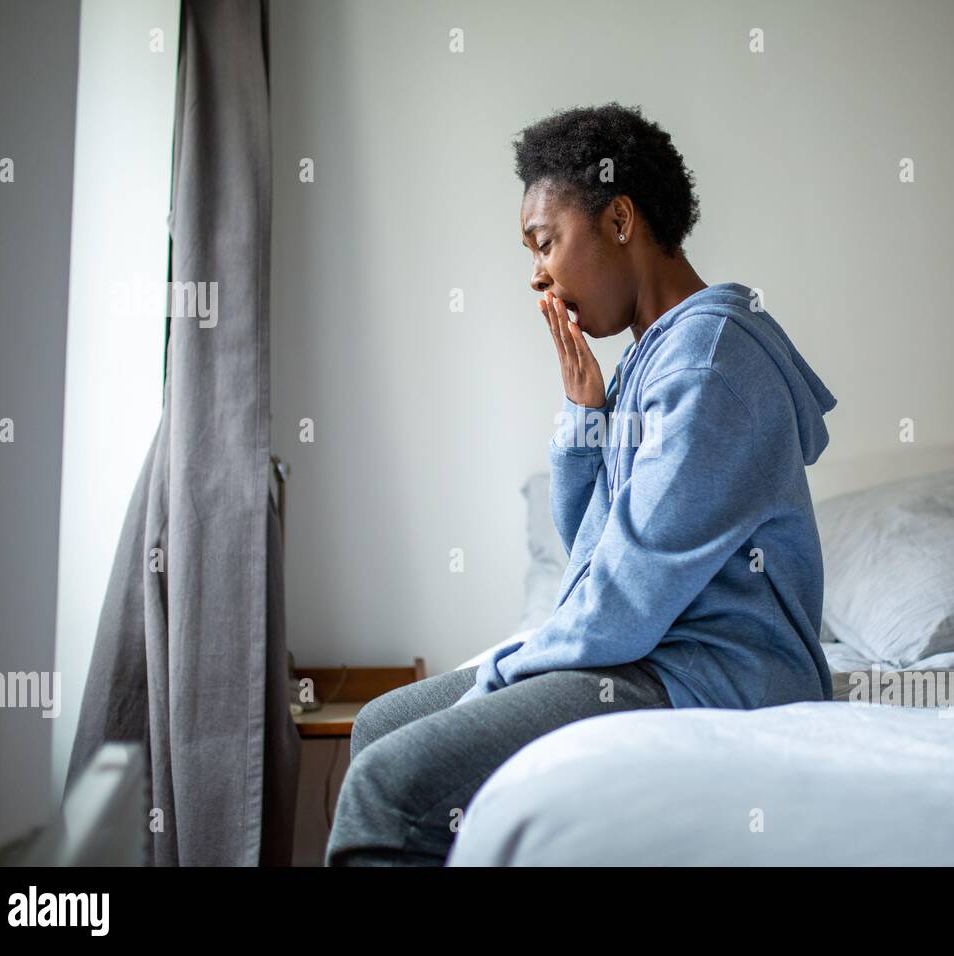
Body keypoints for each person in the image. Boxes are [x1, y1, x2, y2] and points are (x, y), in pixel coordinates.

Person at [325, 102, 838, 867]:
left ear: (620, 220)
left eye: (545, 242)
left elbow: (621, 605)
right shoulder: (650, 358)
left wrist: (496, 674)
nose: (535, 272)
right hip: (649, 654)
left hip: (711, 674)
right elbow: (591, 554)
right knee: (376, 727)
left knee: (393, 783)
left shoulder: (709, 364)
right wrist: (582, 413)